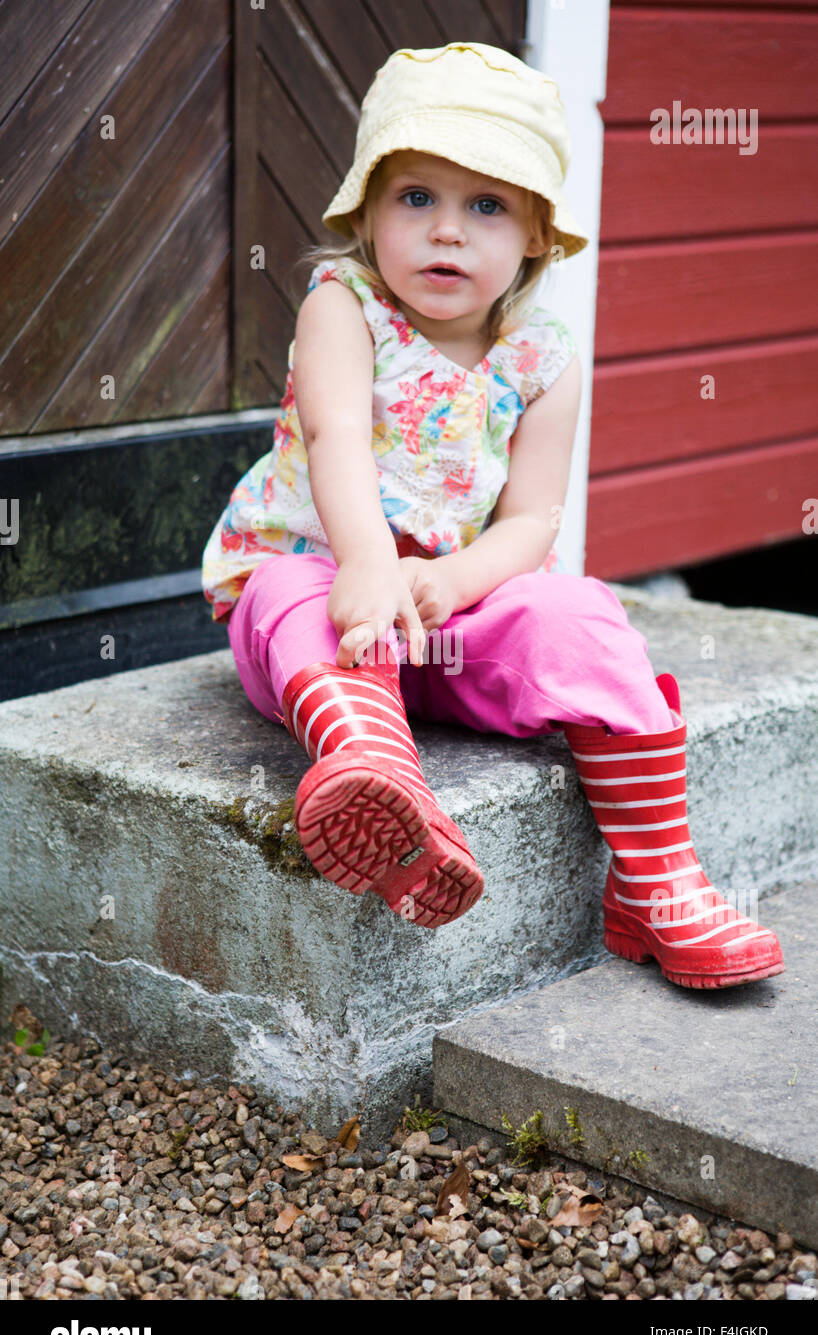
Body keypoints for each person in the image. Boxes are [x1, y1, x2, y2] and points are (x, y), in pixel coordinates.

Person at [202, 42, 784, 990]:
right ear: (369, 212)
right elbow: (340, 435)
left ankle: (657, 879)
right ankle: (379, 775)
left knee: (583, 613)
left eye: (486, 206)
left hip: (453, 623)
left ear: (536, 237)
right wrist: (368, 564)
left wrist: (455, 579)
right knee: (284, 591)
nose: (447, 233)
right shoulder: (342, 307)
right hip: (331, 601)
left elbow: (531, 521)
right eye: (417, 198)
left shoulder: (541, 355)